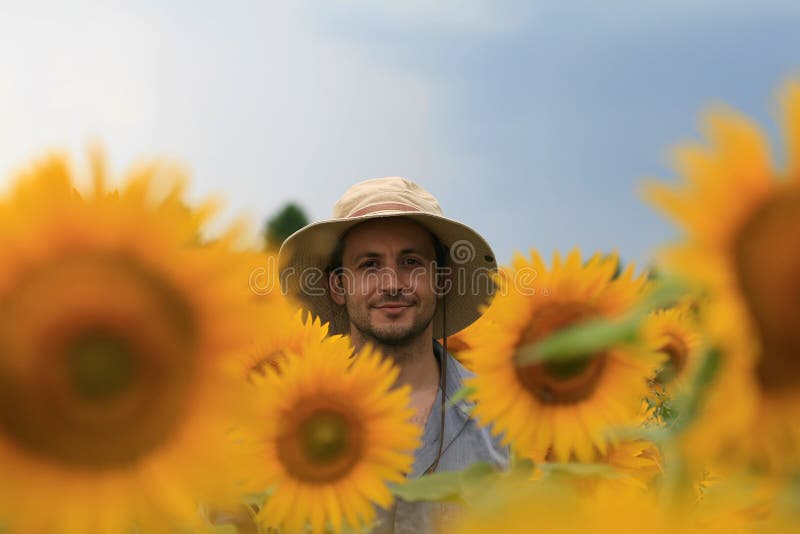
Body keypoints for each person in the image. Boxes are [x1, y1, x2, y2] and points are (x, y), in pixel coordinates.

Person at [279, 177, 508, 533]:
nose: (391, 283)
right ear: (338, 286)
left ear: (442, 280)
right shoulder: (285, 419)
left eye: (411, 262)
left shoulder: (505, 420)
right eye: (369, 265)